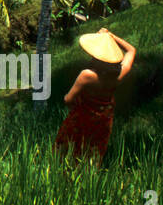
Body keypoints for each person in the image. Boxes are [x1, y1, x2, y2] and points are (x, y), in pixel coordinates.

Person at [54, 28, 135, 164]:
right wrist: (112, 36)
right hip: (103, 121)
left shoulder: (87, 75)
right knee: (92, 155)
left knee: (67, 154)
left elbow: (68, 99)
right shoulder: (119, 75)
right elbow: (131, 50)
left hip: (81, 119)